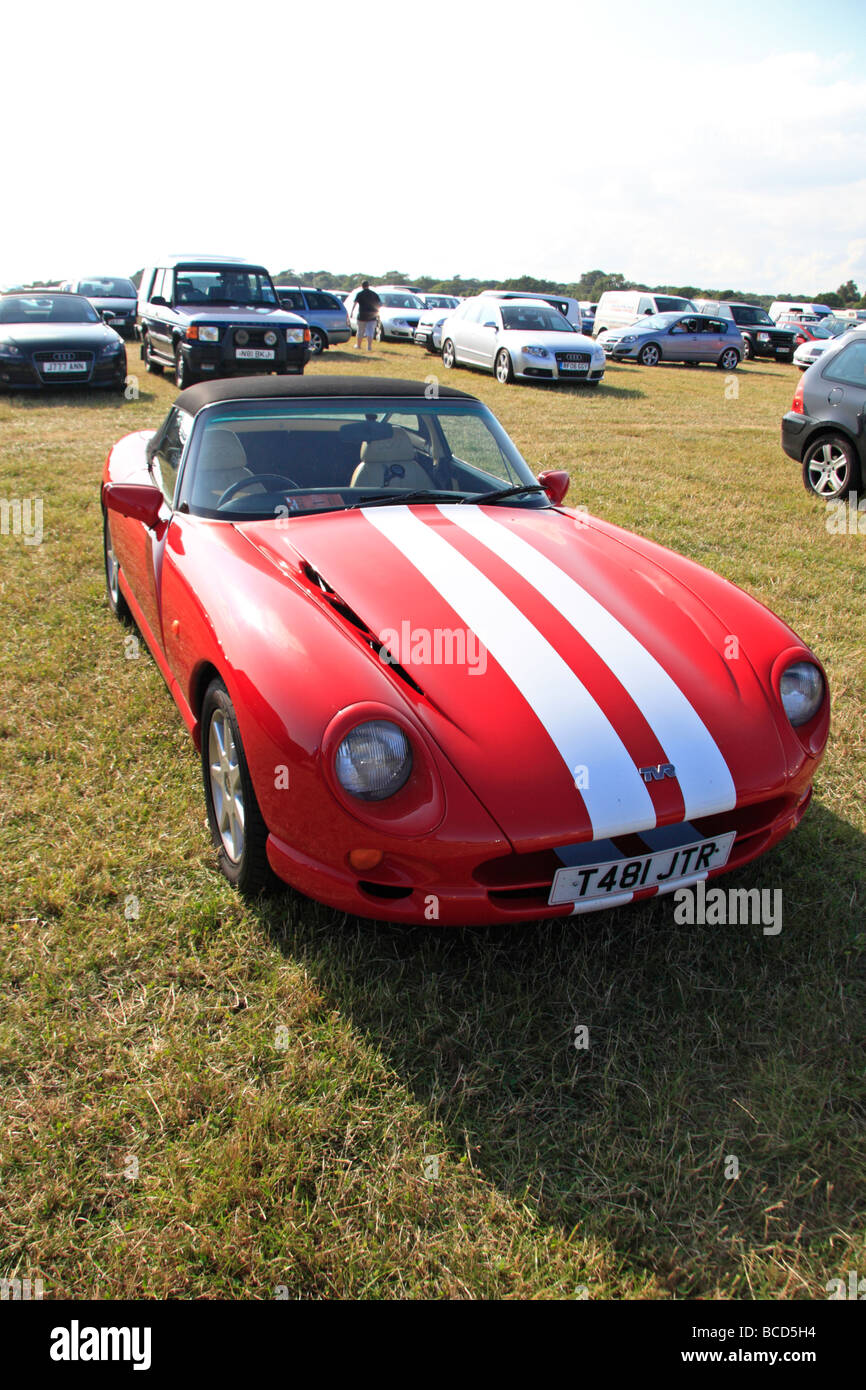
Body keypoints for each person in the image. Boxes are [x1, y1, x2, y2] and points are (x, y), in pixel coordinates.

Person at [354, 280, 381, 350]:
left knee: (360, 331)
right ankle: (369, 346)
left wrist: (351, 312)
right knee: (370, 331)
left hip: (362, 315)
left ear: (362, 286)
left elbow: (355, 303)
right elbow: (379, 304)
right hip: (372, 316)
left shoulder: (359, 294)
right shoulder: (374, 294)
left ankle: (358, 345)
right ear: (368, 285)